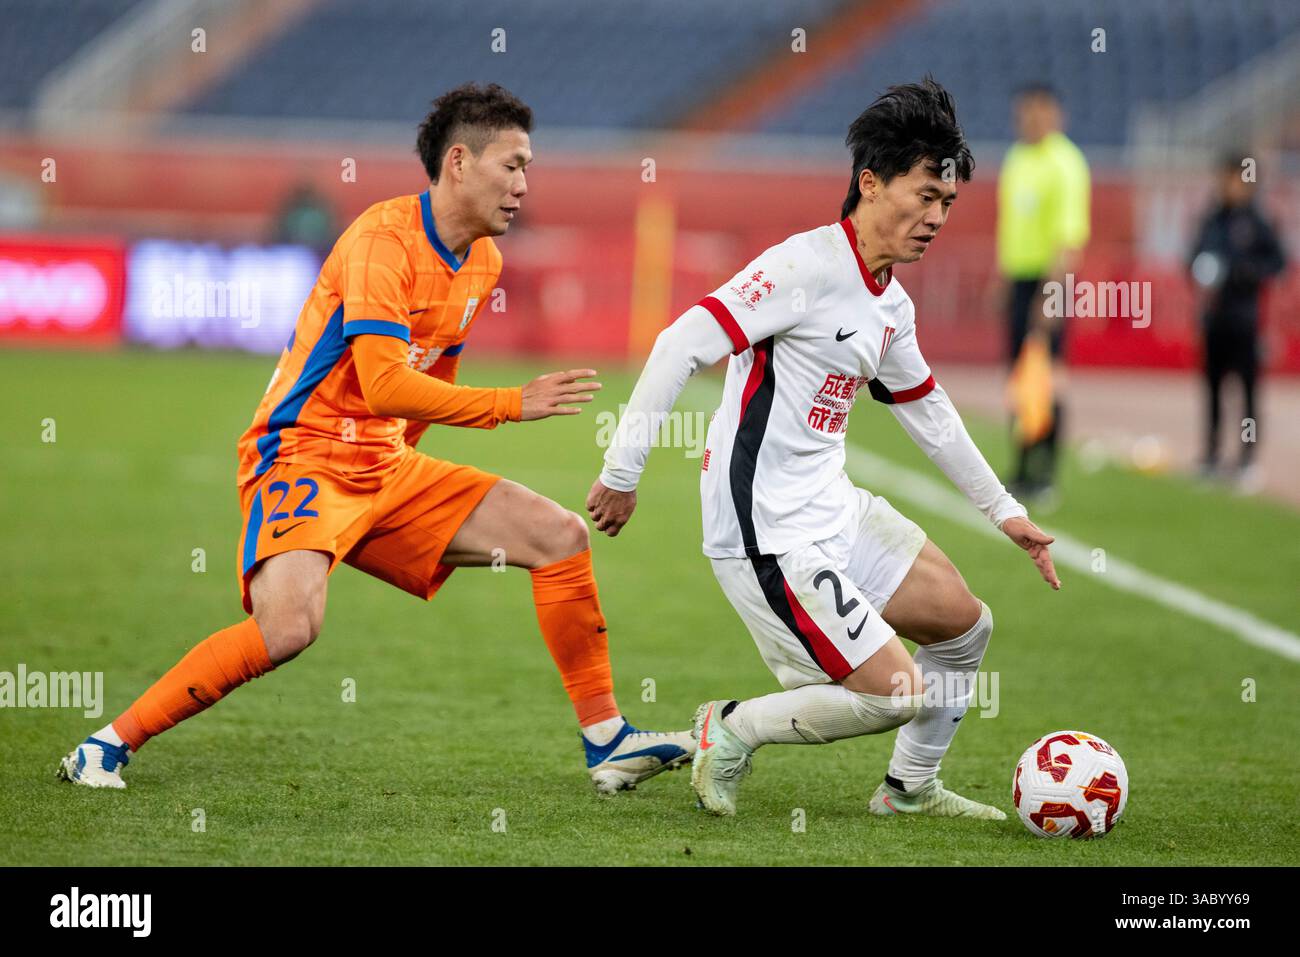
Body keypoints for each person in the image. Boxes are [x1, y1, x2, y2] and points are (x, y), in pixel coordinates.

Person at [57, 83, 693, 795]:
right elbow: (386, 382)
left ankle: (606, 740)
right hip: (303, 451)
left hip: (385, 462)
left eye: (527, 168)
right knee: (289, 628)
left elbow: (433, 376)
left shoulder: (481, 262)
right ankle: (104, 746)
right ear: (459, 162)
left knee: (558, 535)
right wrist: (510, 405)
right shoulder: (381, 242)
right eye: (512, 166)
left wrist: (403, 469)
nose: (523, 185)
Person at [587, 77, 1059, 819]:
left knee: (968, 625)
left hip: (834, 509)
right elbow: (681, 342)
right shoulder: (804, 267)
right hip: (766, 530)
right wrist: (622, 471)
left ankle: (909, 790)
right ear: (869, 184)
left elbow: (928, 411)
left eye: (947, 204)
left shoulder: (890, 302)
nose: (936, 218)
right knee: (894, 692)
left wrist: (1005, 512)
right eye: (924, 197)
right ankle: (730, 727)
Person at [995, 83, 1090, 503]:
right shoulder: (1017, 158)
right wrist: (1002, 280)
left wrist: (1051, 295)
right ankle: (1021, 464)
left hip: (1047, 282)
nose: (1030, 120)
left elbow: (1068, 240)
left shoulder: (1065, 163)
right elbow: (1012, 227)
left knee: (1048, 376)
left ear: (1055, 114)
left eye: (1038, 112)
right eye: (1024, 112)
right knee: (1020, 377)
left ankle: (1046, 471)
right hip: (1019, 278)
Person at [1187, 153, 1287, 490]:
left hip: (1245, 319)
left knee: (1246, 392)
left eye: (1236, 178)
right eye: (1225, 178)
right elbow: (1191, 258)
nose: (1229, 185)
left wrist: (1247, 273)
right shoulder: (1211, 219)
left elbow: (1278, 262)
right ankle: (1212, 455)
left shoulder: (1258, 221)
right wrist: (1201, 270)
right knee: (1213, 388)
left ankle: (1246, 459)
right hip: (1214, 319)